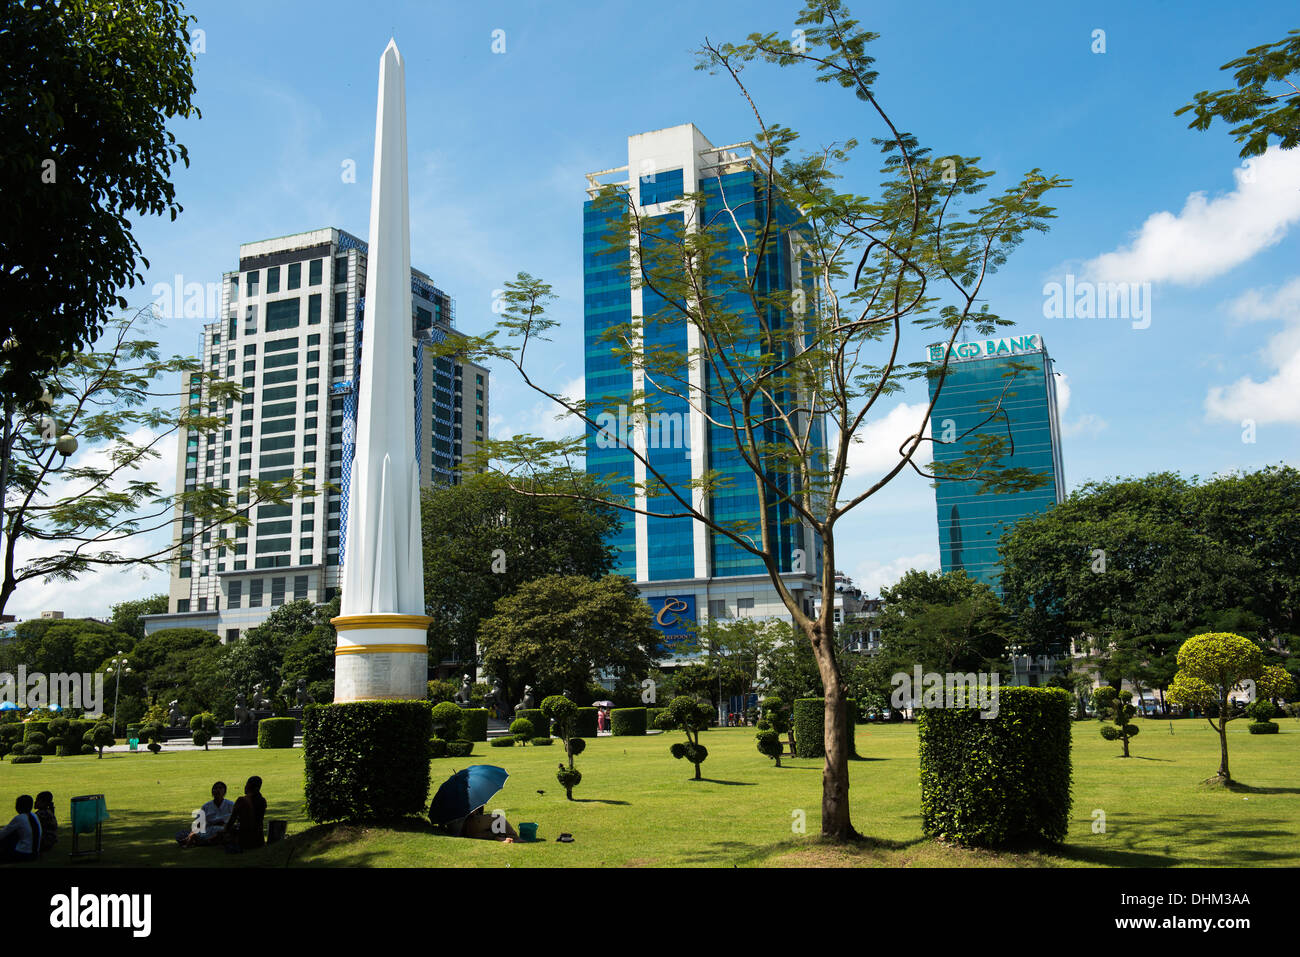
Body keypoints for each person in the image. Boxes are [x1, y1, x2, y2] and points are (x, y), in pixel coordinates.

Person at [176, 781, 235, 847]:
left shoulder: (231, 805)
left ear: (225, 792)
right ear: (212, 792)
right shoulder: (206, 806)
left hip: (224, 830)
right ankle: (207, 841)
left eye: (220, 788)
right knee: (181, 835)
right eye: (215, 788)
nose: (218, 790)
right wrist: (192, 833)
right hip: (209, 831)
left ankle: (202, 841)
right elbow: (198, 823)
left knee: (228, 833)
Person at [224, 776, 267, 851]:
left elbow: (232, 820)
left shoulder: (242, 800)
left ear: (248, 786)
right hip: (259, 839)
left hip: (244, 840)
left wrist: (225, 830)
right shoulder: (262, 801)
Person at [0, 795, 42, 863]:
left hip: (24, 853)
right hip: (35, 852)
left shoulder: (19, 818)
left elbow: (2, 834)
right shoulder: (34, 816)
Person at [447, 806, 517, 841]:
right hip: (468, 823)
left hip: (464, 833)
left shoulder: (449, 798)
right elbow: (471, 814)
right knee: (498, 818)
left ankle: (500, 838)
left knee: (489, 833)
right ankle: (513, 836)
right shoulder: (466, 795)